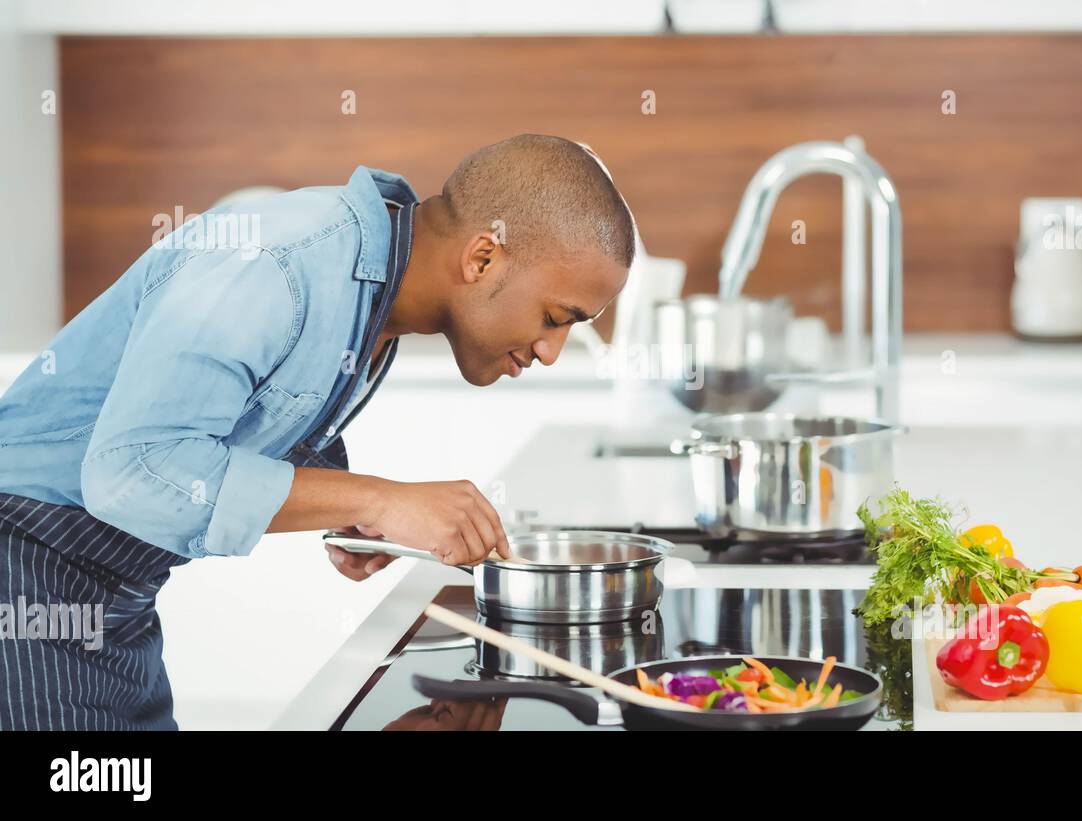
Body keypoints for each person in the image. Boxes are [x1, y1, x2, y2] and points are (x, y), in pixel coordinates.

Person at [0, 134, 635, 730]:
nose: (552, 351)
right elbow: (132, 471)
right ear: (483, 257)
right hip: (25, 573)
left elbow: (239, 420)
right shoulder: (275, 263)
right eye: (556, 317)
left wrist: (352, 509)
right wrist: (376, 499)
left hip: (116, 600)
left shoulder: (374, 286)